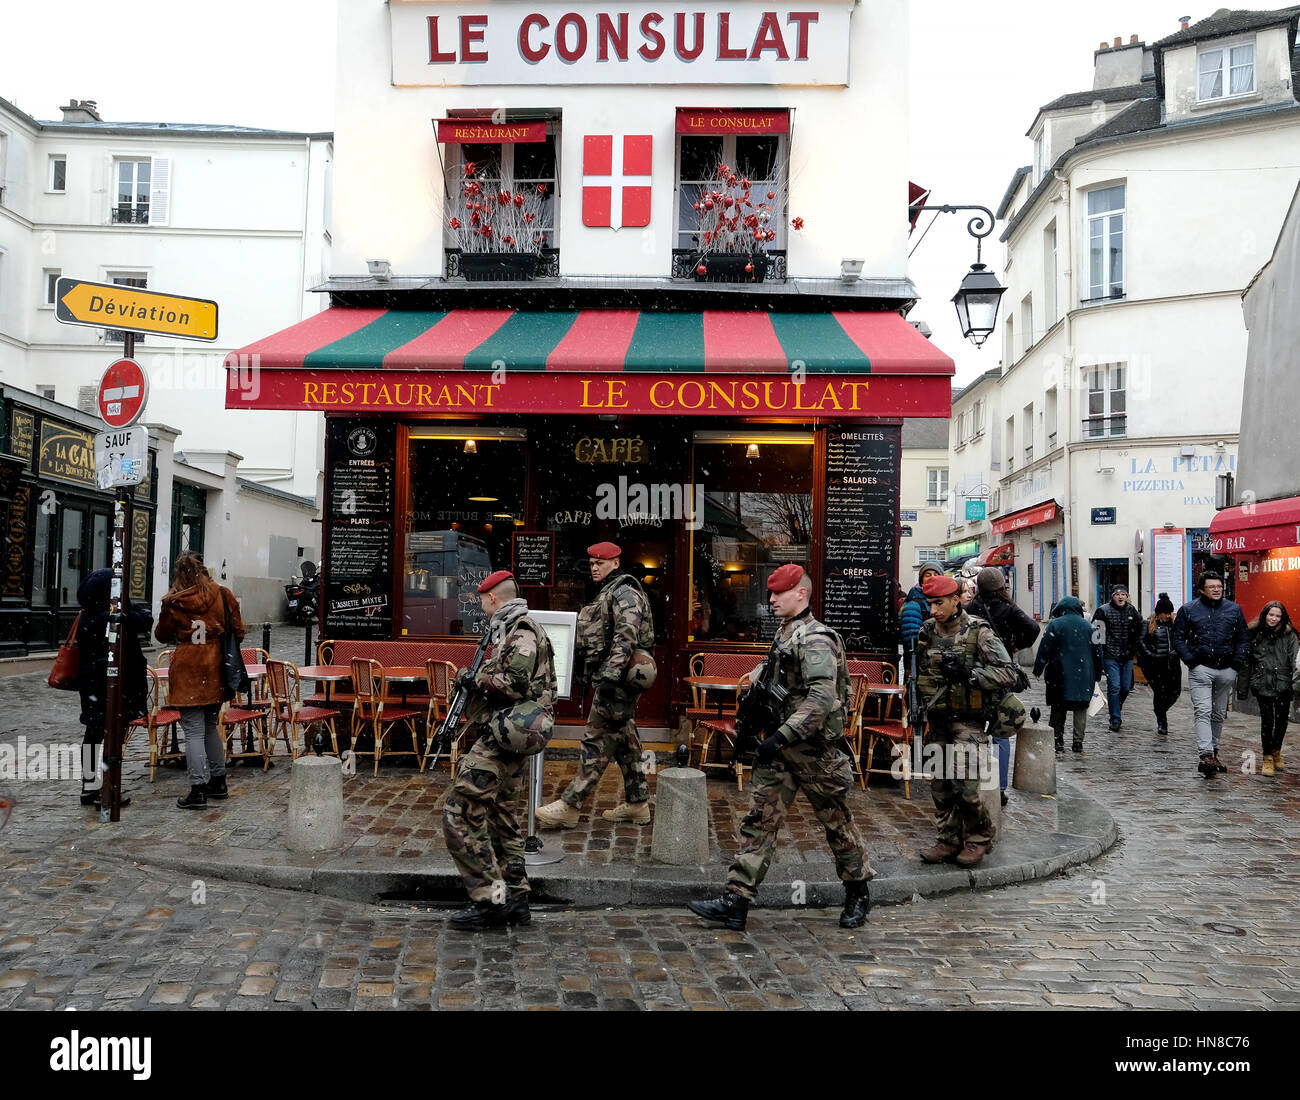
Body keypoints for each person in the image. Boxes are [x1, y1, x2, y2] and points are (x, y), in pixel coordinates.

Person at [688, 565, 871, 930]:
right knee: (759, 823)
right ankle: (736, 901)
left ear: (801, 594)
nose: (770, 600)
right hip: (781, 751)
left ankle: (858, 891)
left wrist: (780, 736)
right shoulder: (786, 635)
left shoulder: (817, 639)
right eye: (770, 594)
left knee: (837, 825)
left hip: (815, 753)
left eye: (778, 594)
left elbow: (820, 699)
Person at [442, 571, 557, 930]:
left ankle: (490, 902)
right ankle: (518, 900)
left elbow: (513, 682)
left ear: (493, 598)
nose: (481, 605)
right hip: (508, 735)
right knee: (502, 816)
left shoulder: (521, 631)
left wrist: (470, 679)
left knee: (459, 812)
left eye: (482, 600)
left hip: (505, 735)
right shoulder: (509, 630)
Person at [536, 541, 657, 828]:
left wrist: (610, 675)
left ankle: (570, 805)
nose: (594, 567)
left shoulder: (625, 592)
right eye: (591, 563)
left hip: (618, 679)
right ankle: (638, 803)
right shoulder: (608, 592)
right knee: (625, 739)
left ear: (616, 563)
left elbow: (626, 636)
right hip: (611, 675)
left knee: (596, 738)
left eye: (600, 563)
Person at [914, 574, 1018, 867]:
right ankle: (947, 840)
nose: (933, 610)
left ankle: (979, 836)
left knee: (967, 786)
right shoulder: (927, 631)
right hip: (937, 718)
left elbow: (1010, 673)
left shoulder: (978, 632)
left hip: (968, 721)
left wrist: (970, 674)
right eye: (929, 603)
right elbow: (918, 671)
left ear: (956, 600)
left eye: (939, 603)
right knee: (940, 785)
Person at [154, 551, 245, 809]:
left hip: (187, 667)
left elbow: (161, 634)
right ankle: (218, 780)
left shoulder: (174, 600)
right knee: (209, 725)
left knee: (193, 730)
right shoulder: (222, 594)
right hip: (215, 666)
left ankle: (197, 788)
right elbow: (239, 630)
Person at [76, 569, 152, 807]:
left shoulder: (89, 614)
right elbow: (145, 620)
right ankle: (108, 788)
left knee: (93, 733)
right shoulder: (114, 616)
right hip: (113, 684)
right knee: (112, 736)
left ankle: (90, 786)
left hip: (93, 684)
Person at [968, 567, 1039, 804]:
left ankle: (974, 782)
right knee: (1002, 730)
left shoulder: (970, 609)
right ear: (1001, 587)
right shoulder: (1008, 609)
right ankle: (998, 787)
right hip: (1000, 673)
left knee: (973, 728)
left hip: (975, 673)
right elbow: (1033, 628)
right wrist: (1014, 647)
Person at [1172, 571, 1249, 778]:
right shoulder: (1188, 610)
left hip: (1226, 669)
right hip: (1201, 669)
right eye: (1212, 587)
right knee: (1203, 710)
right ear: (1201, 590)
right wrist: (1192, 662)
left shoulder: (1233, 609)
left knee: (1217, 713)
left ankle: (1214, 751)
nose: (1216, 590)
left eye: (1219, 587)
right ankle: (1206, 753)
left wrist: (1236, 664)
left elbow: (1243, 639)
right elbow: (1178, 638)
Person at [1033, 597, 1103, 752]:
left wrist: (1038, 668)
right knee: (1081, 708)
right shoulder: (1091, 628)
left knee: (1058, 707)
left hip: (1059, 673)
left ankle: (1057, 739)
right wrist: (1097, 673)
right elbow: (1098, 653)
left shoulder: (1055, 625)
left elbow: (1044, 648)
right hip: (1084, 674)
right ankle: (1078, 741)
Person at [1241, 600, 1298, 777]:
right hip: (1262, 682)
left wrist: (1292, 683)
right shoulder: (1254, 633)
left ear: (1283, 618)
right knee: (1268, 720)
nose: (1273, 619)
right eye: (1271, 615)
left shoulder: (1289, 635)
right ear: (1264, 615)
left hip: (1283, 683)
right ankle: (1267, 757)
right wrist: (1244, 687)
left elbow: (1295, 660)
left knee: (1282, 721)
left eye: (1277, 616)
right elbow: (1246, 662)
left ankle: (1277, 751)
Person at [1091, 584, 1143, 732]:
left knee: (1125, 688)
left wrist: (1135, 647)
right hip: (1110, 655)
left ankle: (1116, 706)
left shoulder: (1132, 610)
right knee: (1115, 687)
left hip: (1127, 656)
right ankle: (1115, 718)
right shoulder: (1103, 611)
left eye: (1123, 594)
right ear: (1112, 596)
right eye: (1117, 594)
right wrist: (1099, 653)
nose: (1121, 597)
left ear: (1127, 596)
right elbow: (1096, 635)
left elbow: (1140, 629)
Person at [1137, 593, 1182, 737]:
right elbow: (1141, 642)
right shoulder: (1148, 624)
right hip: (1155, 666)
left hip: (1173, 664)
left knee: (1175, 692)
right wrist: (1153, 655)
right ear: (1159, 613)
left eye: (1170, 613)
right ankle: (1162, 721)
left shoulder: (1175, 625)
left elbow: (1181, 640)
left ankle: (1160, 711)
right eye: (1165, 613)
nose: (1168, 616)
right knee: (1160, 693)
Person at [900, 560, 944, 656]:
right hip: (922, 659)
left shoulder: (946, 600)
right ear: (921, 581)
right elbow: (911, 640)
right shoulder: (914, 604)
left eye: (936, 575)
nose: (932, 578)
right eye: (928, 575)